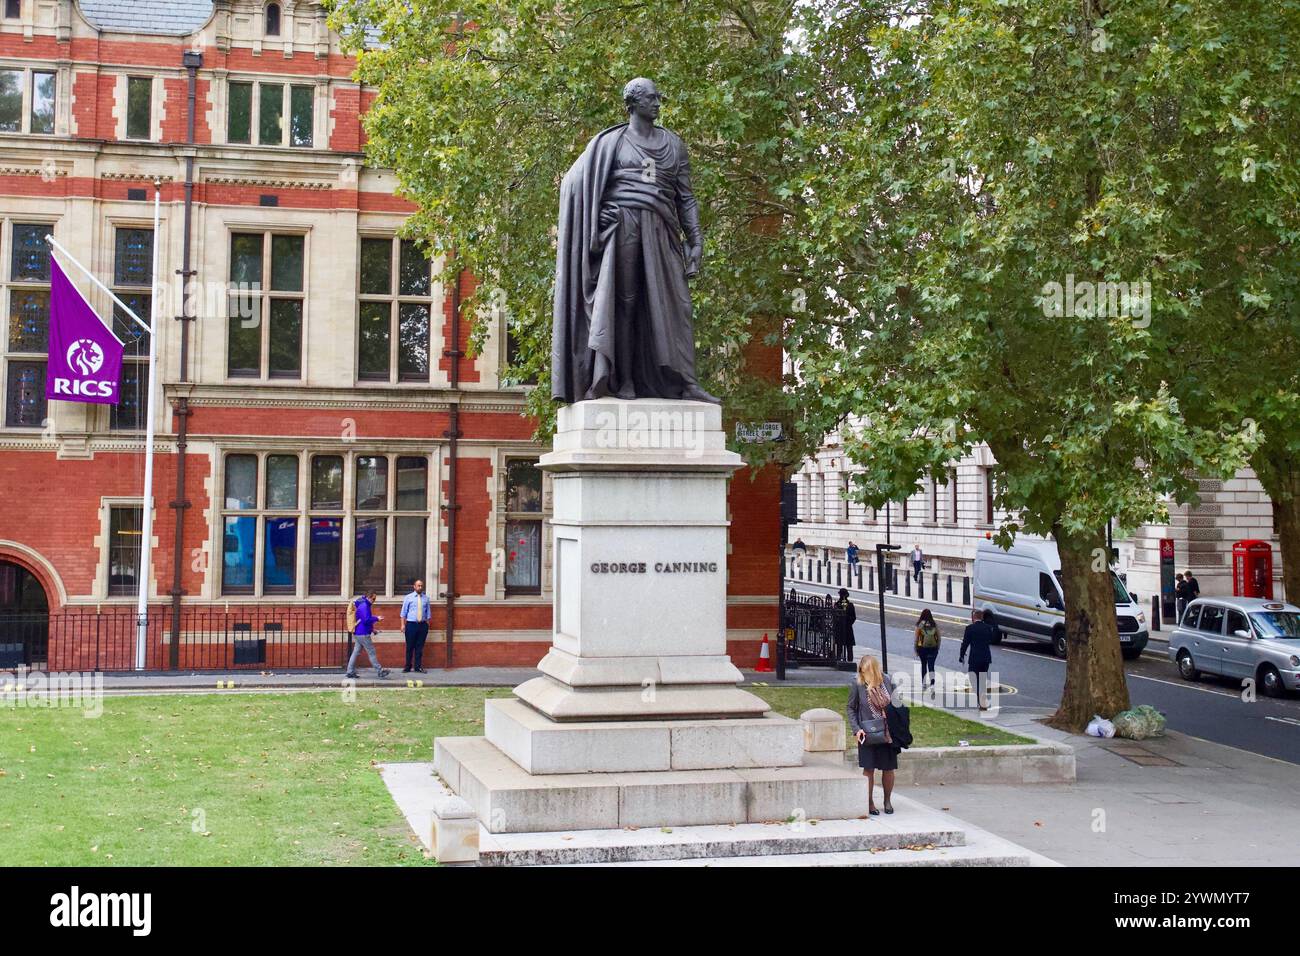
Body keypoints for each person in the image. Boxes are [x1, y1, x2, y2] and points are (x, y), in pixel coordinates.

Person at [551, 78, 718, 404]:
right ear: (633, 104)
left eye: (658, 97)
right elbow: (574, 184)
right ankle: (624, 379)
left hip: (662, 229)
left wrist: (695, 240)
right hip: (623, 227)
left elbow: (686, 198)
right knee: (625, 303)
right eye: (651, 98)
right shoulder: (608, 144)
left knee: (677, 305)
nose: (658, 103)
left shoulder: (673, 144)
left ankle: (686, 382)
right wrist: (594, 215)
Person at [847, 654, 896, 815]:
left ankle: (887, 801)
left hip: (887, 731)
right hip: (867, 733)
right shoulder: (857, 683)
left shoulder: (886, 681)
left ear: (875, 669)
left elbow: (897, 704)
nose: (865, 673)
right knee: (869, 769)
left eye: (868, 670)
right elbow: (851, 708)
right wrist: (857, 729)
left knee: (888, 768)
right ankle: (869, 803)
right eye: (863, 670)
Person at [346, 590, 389, 680]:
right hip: (363, 633)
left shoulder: (362, 605)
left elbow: (363, 620)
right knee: (372, 652)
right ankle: (380, 671)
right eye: (373, 599)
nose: (374, 601)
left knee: (355, 652)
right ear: (369, 597)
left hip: (358, 632)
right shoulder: (365, 606)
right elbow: (366, 620)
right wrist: (377, 618)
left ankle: (350, 671)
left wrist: (373, 630)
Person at [959, 608, 996, 710]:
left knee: (973, 679)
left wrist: (961, 655)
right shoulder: (988, 628)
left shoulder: (970, 628)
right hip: (985, 658)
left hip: (974, 658)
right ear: (982, 617)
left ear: (974, 617)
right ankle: (982, 702)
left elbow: (965, 643)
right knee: (982, 680)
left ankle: (981, 701)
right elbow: (991, 639)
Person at [401, 579, 432, 673]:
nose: (420, 587)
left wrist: (427, 624)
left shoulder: (426, 598)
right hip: (411, 625)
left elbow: (428, 613)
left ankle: (417, 667)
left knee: (419, 647)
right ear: (414, 587)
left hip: (422, 625)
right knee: (409, 646)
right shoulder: (408, 597)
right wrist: (402, 625)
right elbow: (403, 613)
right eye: (418, 585)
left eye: (421, 586)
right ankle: (407, 666)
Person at [914, 608, 941, 692]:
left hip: (922, 648)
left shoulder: (921, 624)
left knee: (924, 665)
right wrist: (937, 647)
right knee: (931, 666)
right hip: (933, 648)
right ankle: (932, 684)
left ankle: (924, 683)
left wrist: (916, 649)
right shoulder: (933, 624)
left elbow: (916, 637)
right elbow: (939, 637)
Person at [834, 587, 857, 663]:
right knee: (845, 647)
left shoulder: (841, 605)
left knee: (846, 647)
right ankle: (845, 661)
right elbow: (853, 617)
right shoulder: (843, 604)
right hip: (845, 628)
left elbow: (852, 617)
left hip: (844, 628)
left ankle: (841, 660)